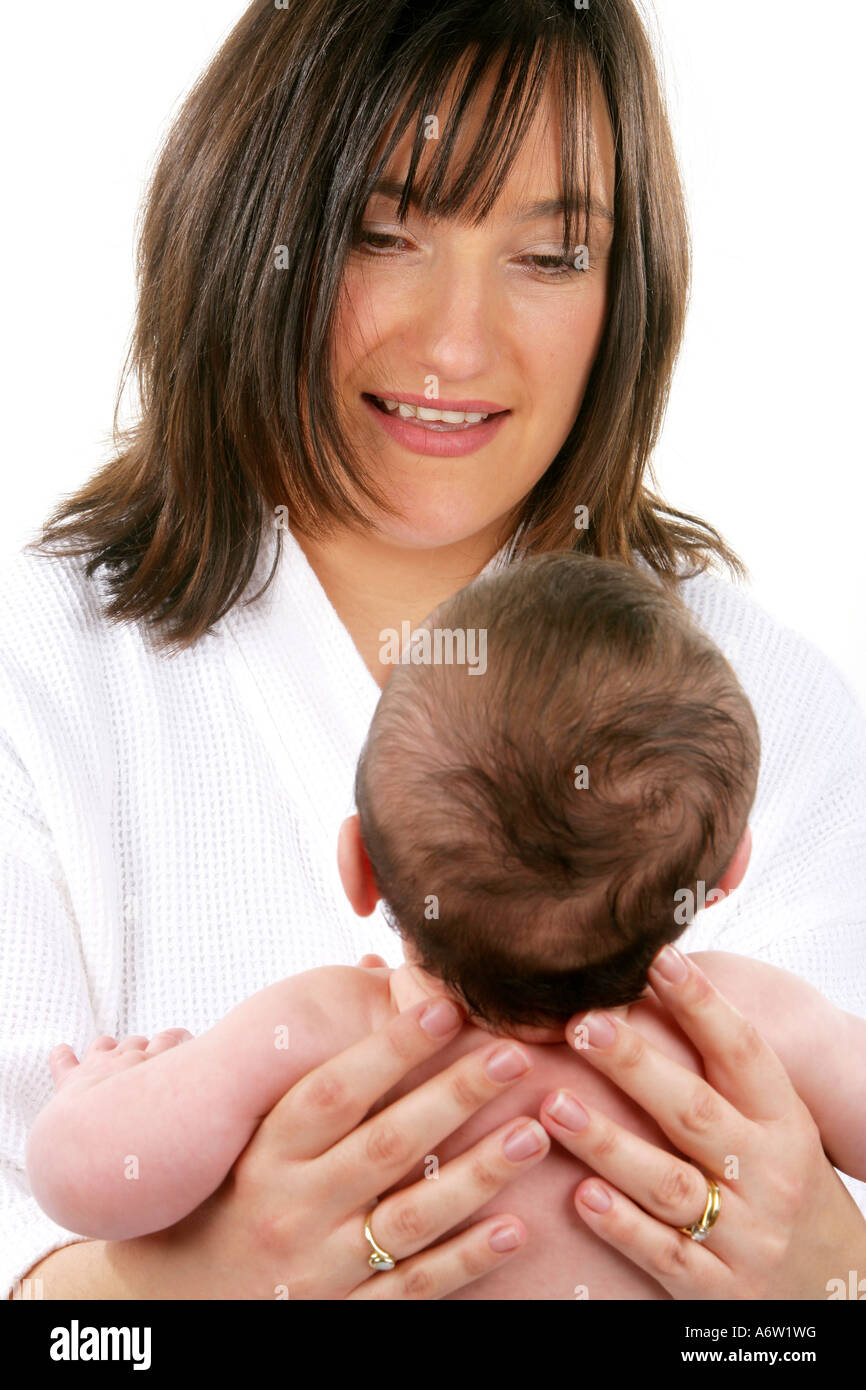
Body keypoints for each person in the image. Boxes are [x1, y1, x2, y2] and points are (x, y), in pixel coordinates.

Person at [3, 0, 865, 1300]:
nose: (458, 345)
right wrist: (147, 1305)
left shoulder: (765, 689)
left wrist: (828, 1278)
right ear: (248, 228)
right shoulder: (39, 673)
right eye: (382, 231)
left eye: (551, 254)